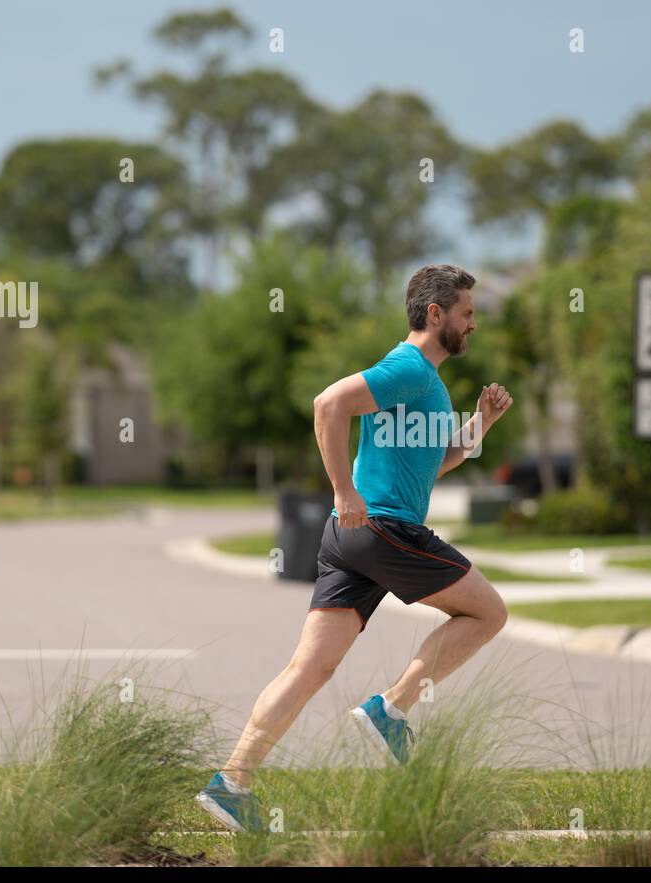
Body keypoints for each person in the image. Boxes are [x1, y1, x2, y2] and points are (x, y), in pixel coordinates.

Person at [197, 264, 514, 832]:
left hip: (353, 540)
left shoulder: (429, 385)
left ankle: (232, 782)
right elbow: (328, 405)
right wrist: (343, 490)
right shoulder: (408, 369)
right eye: (467, 312)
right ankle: (391, 709)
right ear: (435, 313)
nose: (474, 324)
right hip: (384, 529)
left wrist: (480, 426)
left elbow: (432, 462)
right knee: (489, 612)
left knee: (310, 666)